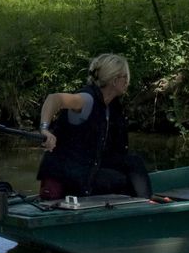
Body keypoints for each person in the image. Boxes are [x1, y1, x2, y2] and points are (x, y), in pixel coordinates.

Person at [37, 53, 151, 200]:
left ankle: (147, 203)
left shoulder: (111, 106)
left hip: (88, 167)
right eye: (125, 77)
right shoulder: (87, 99)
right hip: (70, 174)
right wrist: (45, 129)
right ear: (115, 80)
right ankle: (144, 209)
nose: (128, 82)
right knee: (122, 181)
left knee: (133, 162)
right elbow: (54, 99)